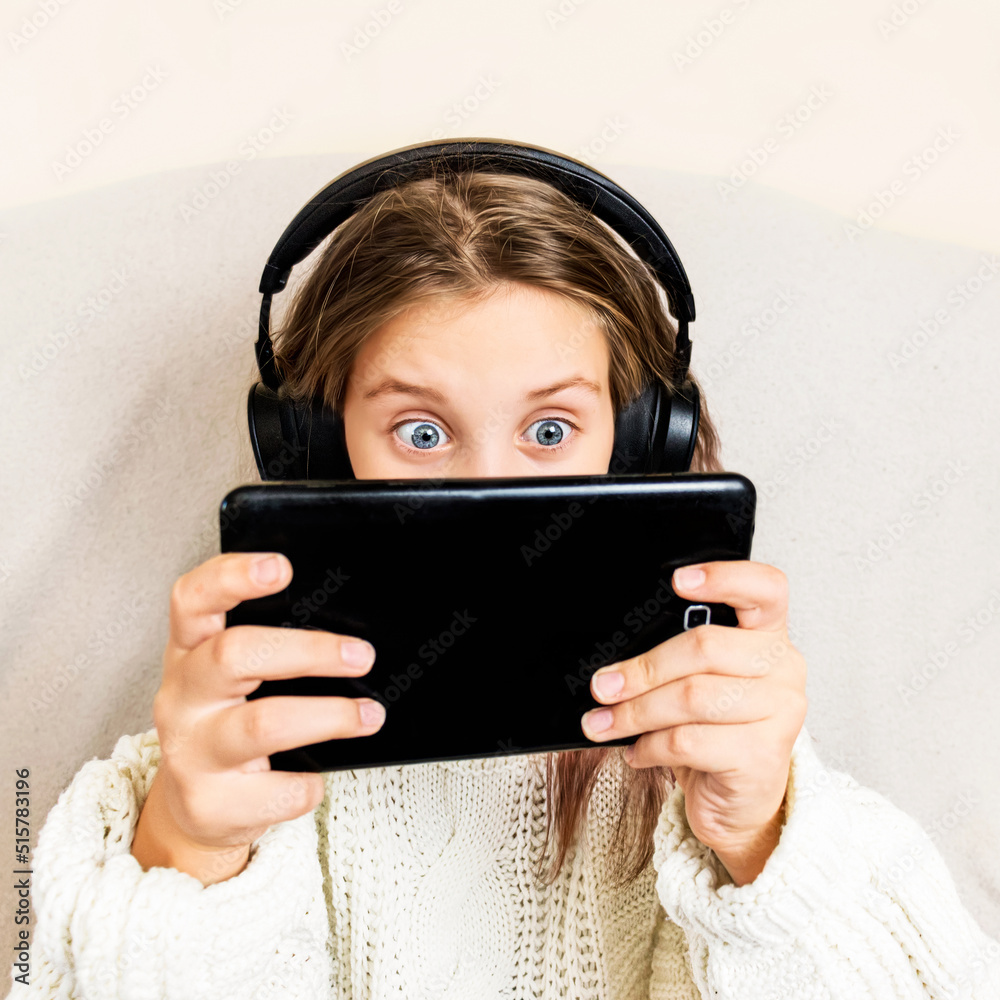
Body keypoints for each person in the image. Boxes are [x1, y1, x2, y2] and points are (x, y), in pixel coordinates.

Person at [8, 164, 999, 1000]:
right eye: (421, 433)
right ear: (313, 447)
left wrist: (761, 840)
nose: (488, 486)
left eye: (551, 430)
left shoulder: (718, 757)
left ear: (642, 445)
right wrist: (192, 848)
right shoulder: (209, 767)